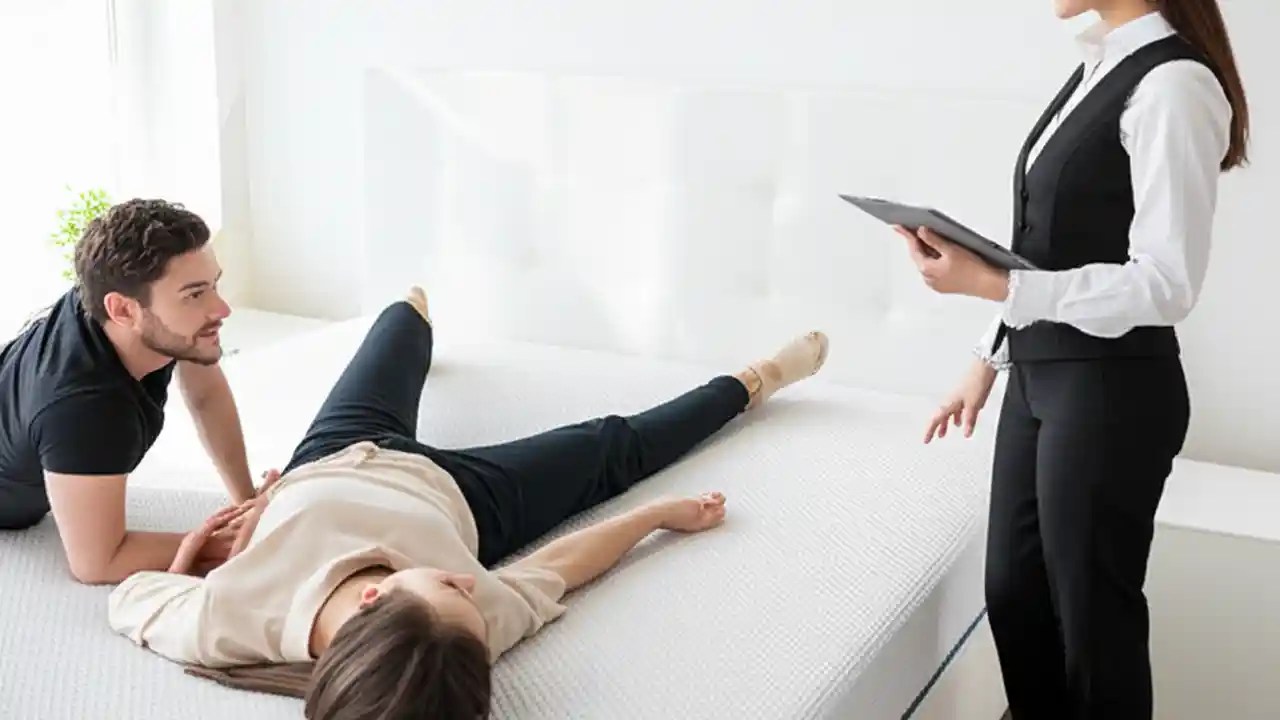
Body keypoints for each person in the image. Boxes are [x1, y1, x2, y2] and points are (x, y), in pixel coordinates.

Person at [107, 287, 830, 718]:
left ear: (373, 601)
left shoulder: (224, 621)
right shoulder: (461, 638)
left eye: (448, 586)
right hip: (471, 499)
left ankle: (417, 307)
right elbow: (559, 567)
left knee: (400, 328)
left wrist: (187, 566)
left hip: (335, 455)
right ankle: (754, 382)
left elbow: (132, 598)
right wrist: (657, 516)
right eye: (465, 591)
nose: (465, 583)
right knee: (614, 446)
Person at [893, 1, 1249, 718]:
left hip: (1114, 389)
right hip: (1041, 378)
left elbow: (1166, 282)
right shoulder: (1100, 62)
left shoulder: (1174, 83)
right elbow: (1047, 243)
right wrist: (988, 358)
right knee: (1015, 594)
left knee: (1091, 622)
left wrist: (994, 283)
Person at [0, 199, 268, 583]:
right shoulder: (85, 409)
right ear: (123, 311)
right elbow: (98, 562)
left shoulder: (125, 300)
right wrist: (240, 543)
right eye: (195, 294)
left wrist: (247, 501)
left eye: (214, 285)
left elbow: (205, 395)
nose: (221, 308)